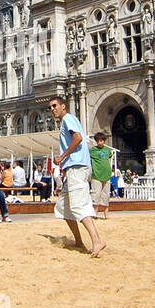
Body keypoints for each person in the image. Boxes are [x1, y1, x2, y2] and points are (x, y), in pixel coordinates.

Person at [48, 95, 106, 256]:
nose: (53, 109)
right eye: (51, 107)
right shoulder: (68, 121)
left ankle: (96, 241)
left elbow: (78, 138)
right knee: (63, 207)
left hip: (77, 167)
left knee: (78, 205)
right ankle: (79, 241)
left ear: (63, 106)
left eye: (54, 106)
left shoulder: (68, 119)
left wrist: (62, 156)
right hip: (74, 167)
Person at [89, 131, 114, 219]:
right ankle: (95, 212)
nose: (100, 142)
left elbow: (109, 159)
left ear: (104, 141)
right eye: (98, 141)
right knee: (96, 194)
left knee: (106, 194)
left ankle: (106, 213)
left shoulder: (107, 150)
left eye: (102, 140)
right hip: (96, 175)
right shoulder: (92, 150)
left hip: (106, 175)